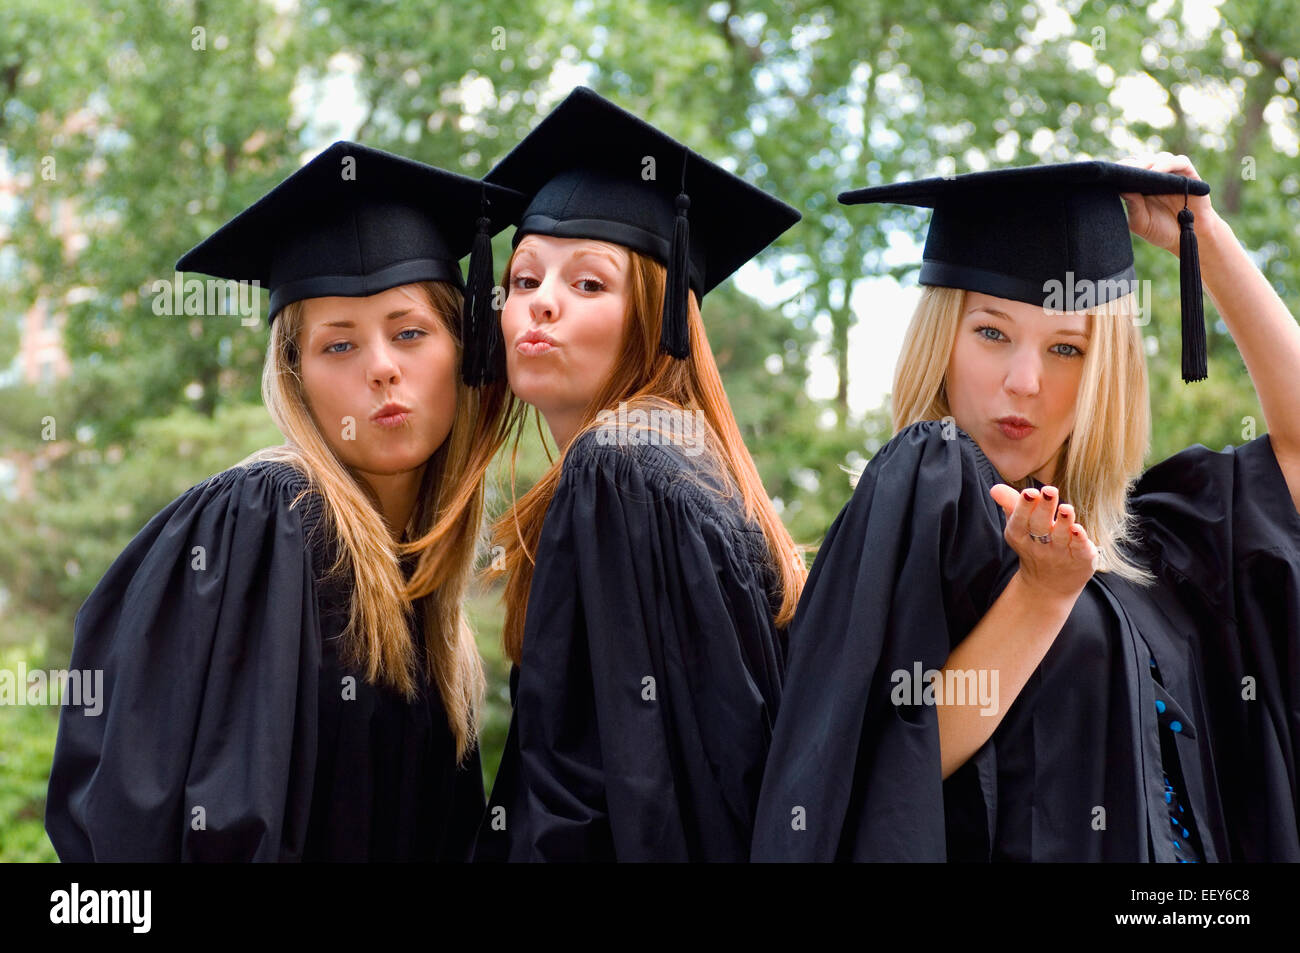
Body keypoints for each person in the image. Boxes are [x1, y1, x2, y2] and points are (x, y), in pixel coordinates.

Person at [752, 156, 1300, 862]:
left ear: (1105, 372)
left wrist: (1208, 239)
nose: (1025, 381)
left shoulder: (1161, 548)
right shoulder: (928, 490)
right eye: (991, 332)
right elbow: (872, 768)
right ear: (941, 340)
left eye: (1067, 347)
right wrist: (1041, 596)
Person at [45, 141, 524, 861]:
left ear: (463, 351)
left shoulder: (424, 598)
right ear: (295, 378)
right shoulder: (267, 519)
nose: (383, 368)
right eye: (338, 346)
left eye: (410, 332)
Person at [469, 86, 807, 861]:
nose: (540, 305)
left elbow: (623, 798)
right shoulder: (682, 462)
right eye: (524, 280)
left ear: (657, 317)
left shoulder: (619, 468)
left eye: (588, 283)